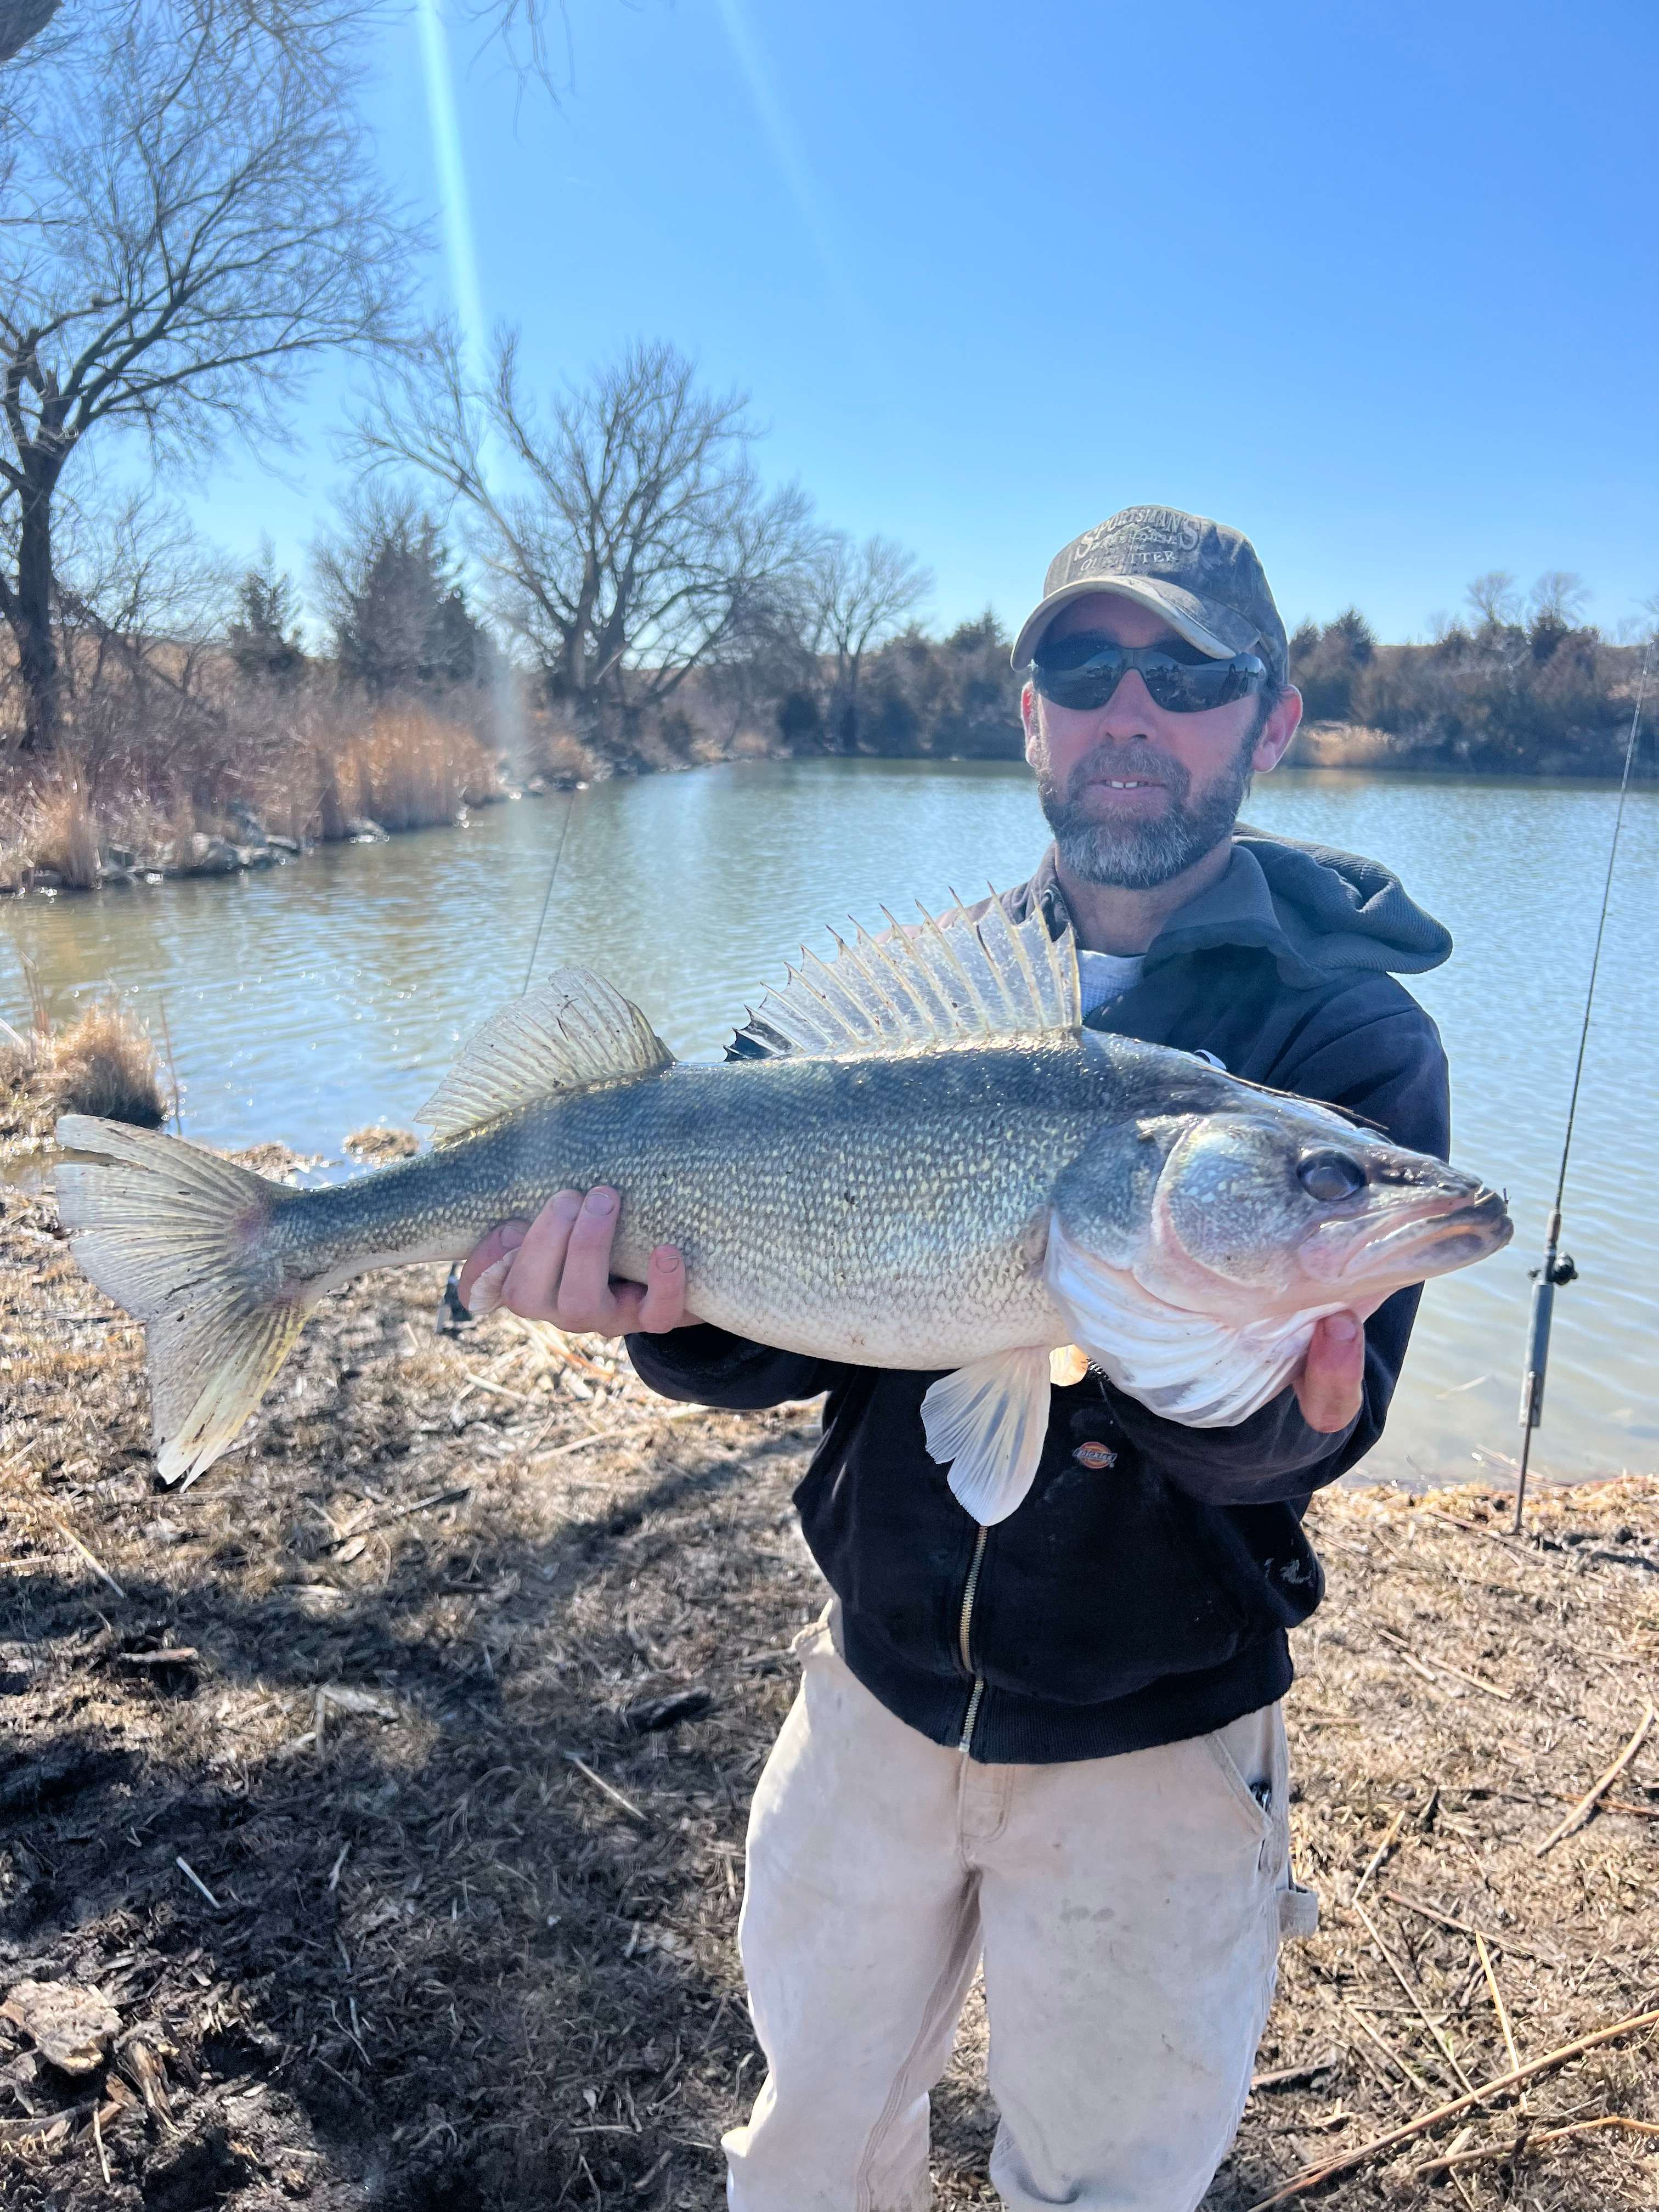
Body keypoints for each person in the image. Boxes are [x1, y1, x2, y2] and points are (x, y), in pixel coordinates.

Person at [457, 506, 1453, 2212]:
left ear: (1273, 720)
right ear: (1030, 712)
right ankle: (266, 1249)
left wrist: (1263, 1420)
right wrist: (662, 1318)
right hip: (877, 1695)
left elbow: (1295, 1453)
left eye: (1191, 674)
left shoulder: (1345, 1045)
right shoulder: (910, 1007)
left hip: (1160, 1745)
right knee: (807, 2163)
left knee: (1106, 2192)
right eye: (1085, 665)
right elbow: (786, 1353)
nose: (1131, 710)